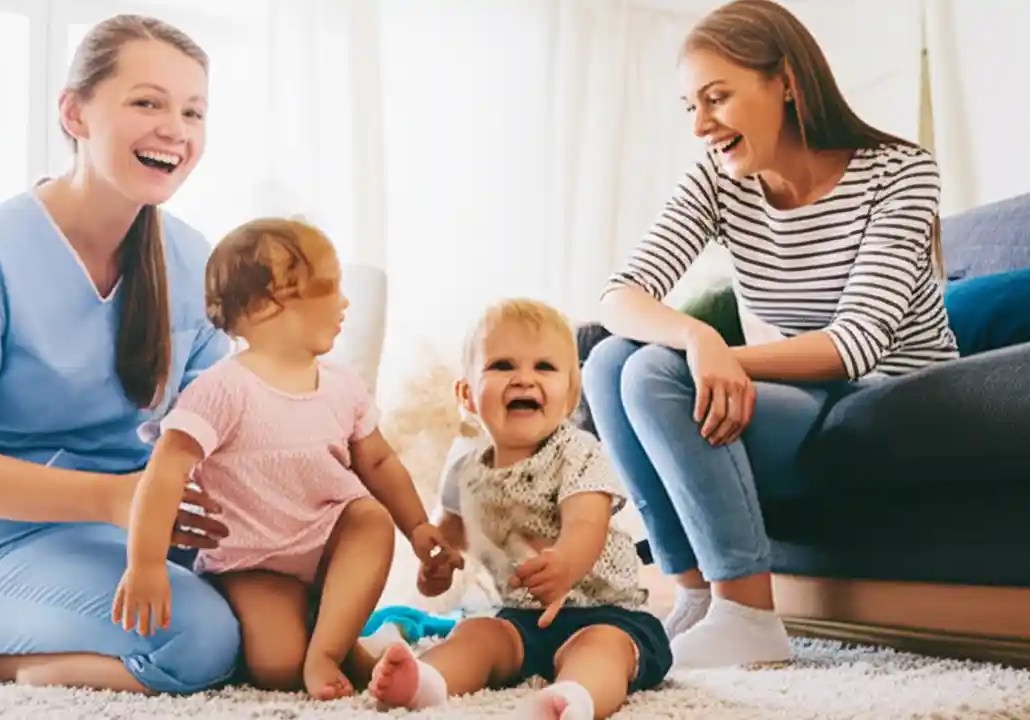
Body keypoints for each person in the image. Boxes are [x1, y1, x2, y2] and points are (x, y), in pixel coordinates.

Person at [581, 0, 957, 670]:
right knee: (609, 361)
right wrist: (701, 340)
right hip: (804, 393)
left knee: (651, 373)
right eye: (688, 106)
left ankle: (749, 615)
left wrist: (713, 356)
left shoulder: (900, 172)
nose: (700, 124)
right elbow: (618, 295)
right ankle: (696, 596)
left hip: (894, 390)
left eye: (716, 97)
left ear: (785, 81)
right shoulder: (721, 182)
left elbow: (856, 344)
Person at [0, 15, 242, 693]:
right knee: (201, 641)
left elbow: (219, 428)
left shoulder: (192, 260)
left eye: (193, 111)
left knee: (287, 626)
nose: (176, 128)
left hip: (131, 538)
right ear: (74, 112)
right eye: (147, 102)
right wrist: (112, 499)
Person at [113, 217, 464, 701]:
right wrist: (147, 563)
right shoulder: (222, 389)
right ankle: (345, 652)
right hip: (252, 561)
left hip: (329, 542)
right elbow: (166, 470)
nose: (345, 303)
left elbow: (378, 463)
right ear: (267, 304)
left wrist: (419, 529)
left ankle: (327, 650)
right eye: (331, 288)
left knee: (370, 521)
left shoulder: (342, 384)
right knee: (276, 666)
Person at [370, 299, 671, 720]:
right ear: (467, 395)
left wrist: (565, 562)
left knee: (600, 650)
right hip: (523, 621)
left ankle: (573, 699)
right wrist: (436, 568)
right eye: (502, 365)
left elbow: (588, 521)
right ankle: (426, 681)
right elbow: (447, 540)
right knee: (477, 633)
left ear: (570, 397)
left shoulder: (577, 452)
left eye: (544, 367)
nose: (523, 379)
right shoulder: (465, 471)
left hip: (608, 613)